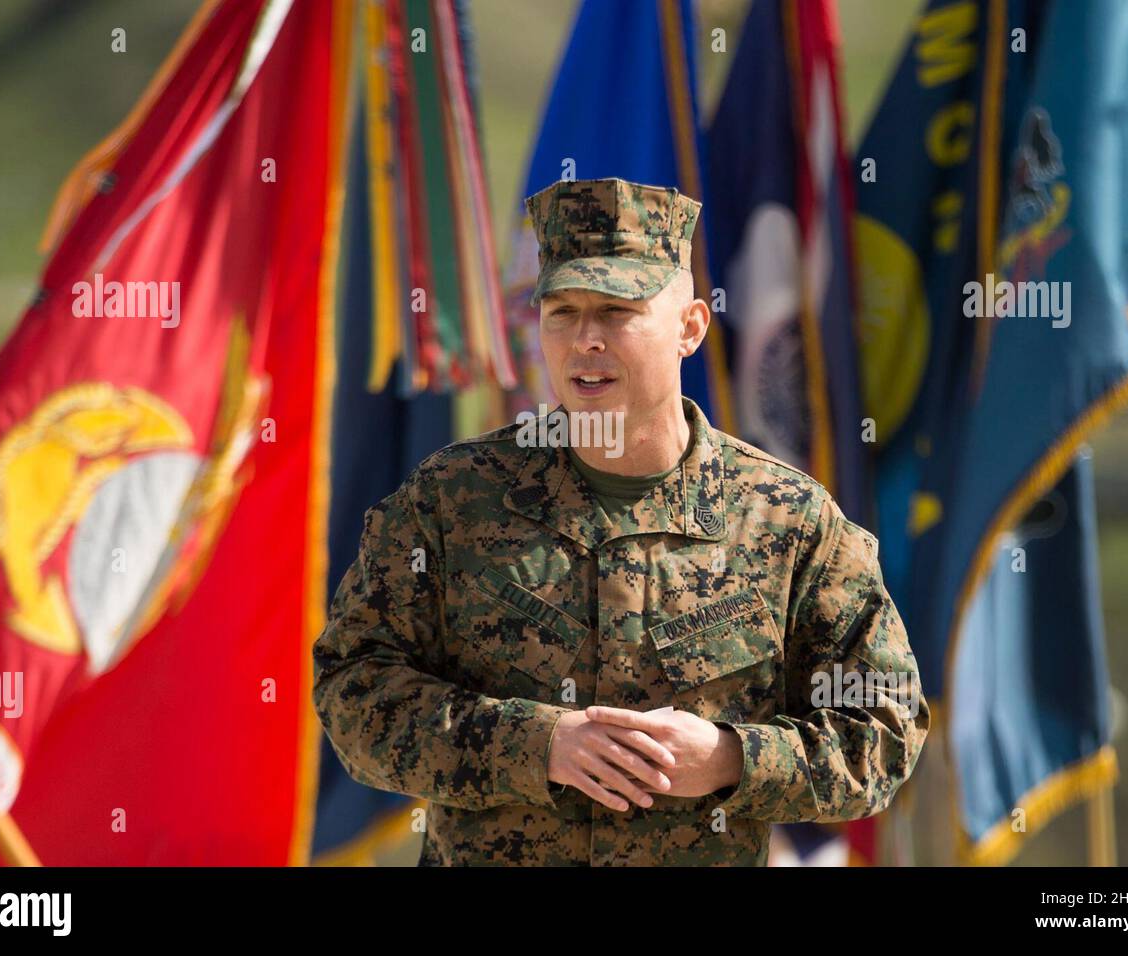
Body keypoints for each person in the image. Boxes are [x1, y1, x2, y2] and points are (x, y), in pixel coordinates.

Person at [312, 176, 929, 866]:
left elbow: (885, 730)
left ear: (690, 327)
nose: (585, 341)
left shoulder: (786, 520)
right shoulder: (450, 501)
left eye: (617, 311)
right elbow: (354, 691)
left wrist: (731, 757)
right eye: (562, 312)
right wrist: (537, 745)